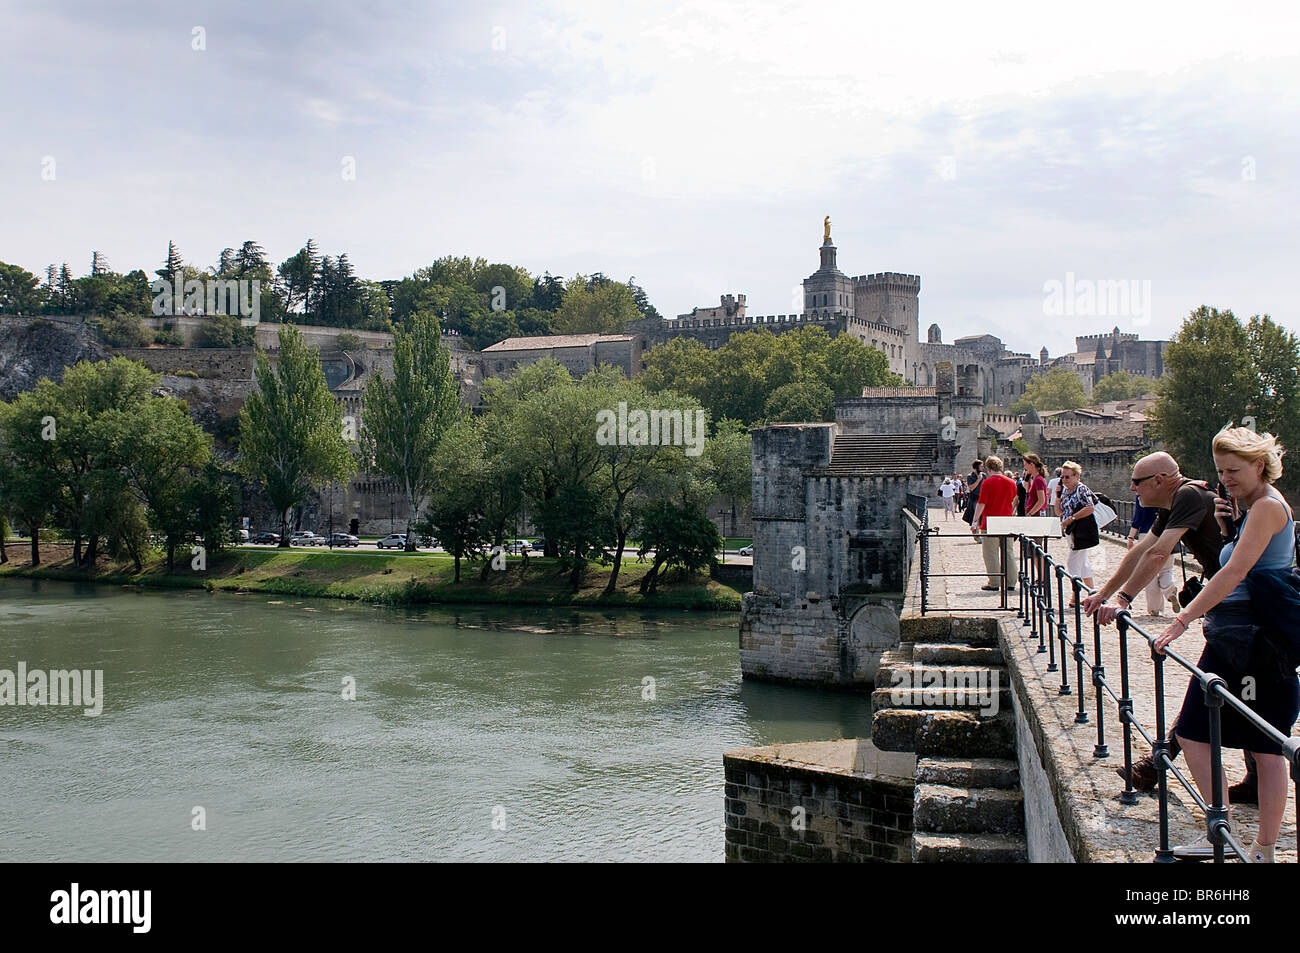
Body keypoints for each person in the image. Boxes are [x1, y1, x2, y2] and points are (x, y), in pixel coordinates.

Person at [1150, 428, 1296, 863]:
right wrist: (1228, 527)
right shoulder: (1252, 509)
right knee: (1193, 731)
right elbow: (1235, 565)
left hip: (1259, 643)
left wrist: (1181, 619)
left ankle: (1264, 848)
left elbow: (1233, 574)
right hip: (1232, 638)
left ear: (1259, 465)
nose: (1225, 479)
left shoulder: (1269, 507)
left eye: (1233, 470)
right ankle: (1220, 826)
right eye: (1220, 471)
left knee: (1268, 747)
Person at [1082, 451, 1257, 806]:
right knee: (1235, 692)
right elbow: (1142, 548)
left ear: (1160, 481)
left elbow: (1160, 553)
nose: (1132, 487)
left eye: (1137, 481)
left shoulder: (1189, 496)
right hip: (1235, 610)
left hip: (1249, 613)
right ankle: (1162, 767)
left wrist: (1125, 600)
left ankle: (1156, 767)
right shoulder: (1177, 502)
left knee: (1217, 689)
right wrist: (1104, 593)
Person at [970, 455, 1018, 591]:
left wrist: (975, 521)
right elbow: (1013, 500)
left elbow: (981, 503)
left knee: (990, 553)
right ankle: (1010, 581)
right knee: (1008, 552)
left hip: (990, 521)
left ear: (989, 468)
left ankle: (995, 582)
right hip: (1007, 520)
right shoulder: (1011, 482)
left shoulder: (987, 482)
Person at [1054, 461, 1097, 604]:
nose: (1064, 480)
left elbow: (1090, 507)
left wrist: (1071, 518)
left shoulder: (1081, 489)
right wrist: (1058, 495)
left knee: (1072, 563)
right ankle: (1091, 592)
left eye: (1068, 477)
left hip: (1081, 530)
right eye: (1063, 477)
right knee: (1083, 563)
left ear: (1076, 476)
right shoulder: (1066, 491)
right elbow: (1058, 511)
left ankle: (1075, 595)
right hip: (1072, 531)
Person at [1126, 496, 1178, 617]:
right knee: (1167, 569)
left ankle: (1154, 608)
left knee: (1149, 574)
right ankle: (1170, 590)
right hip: (1168, 533)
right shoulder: (1169, 493)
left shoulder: (1143, 494)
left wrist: (1131, 537)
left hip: (1147, 535)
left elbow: (1138, 518)